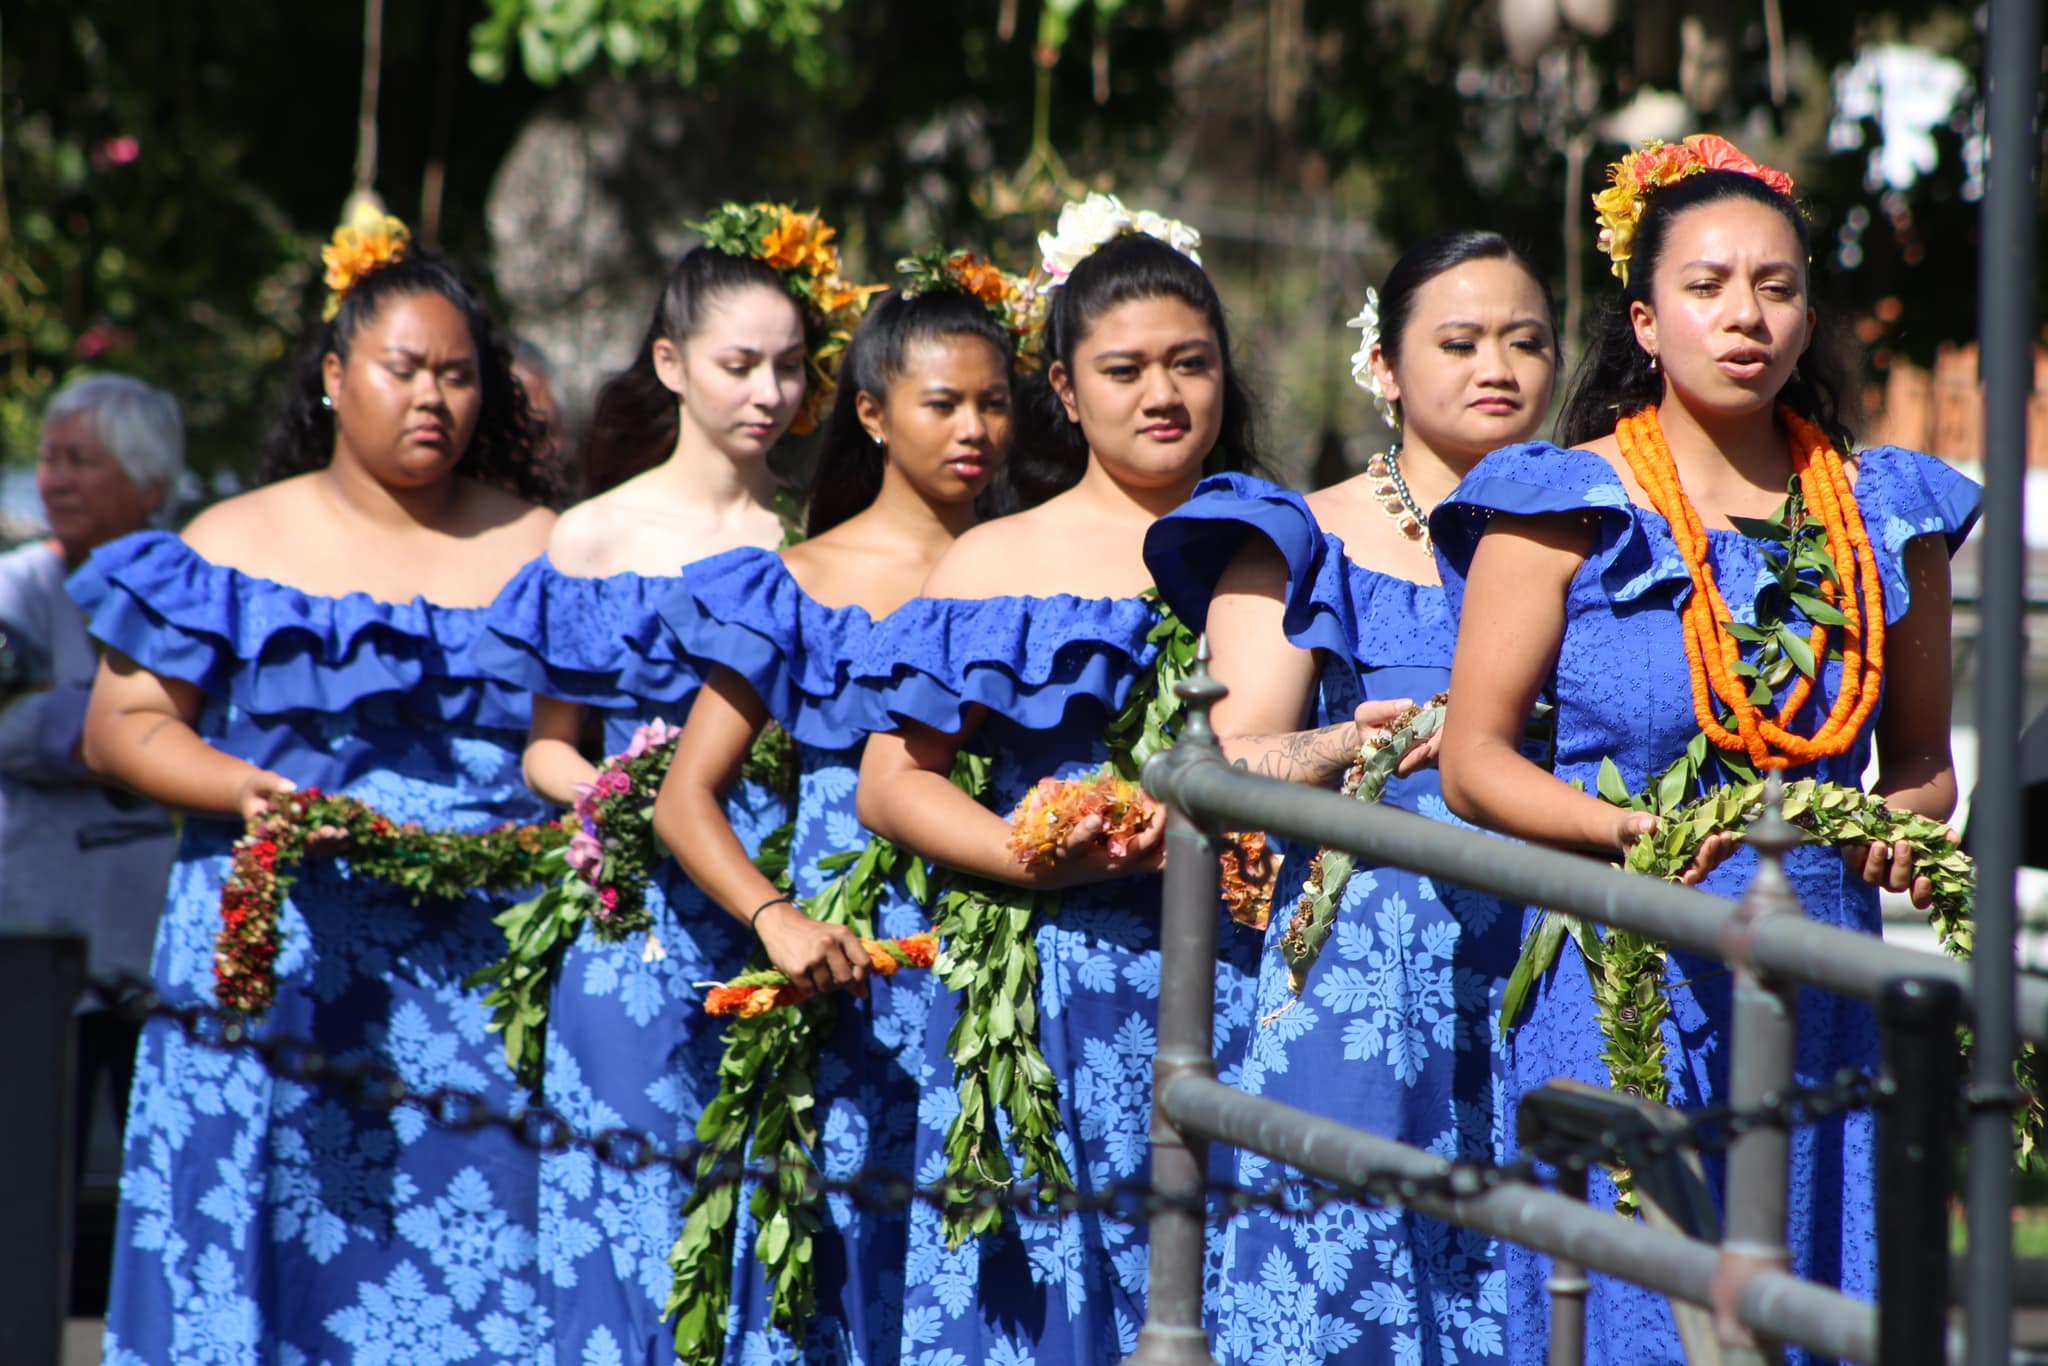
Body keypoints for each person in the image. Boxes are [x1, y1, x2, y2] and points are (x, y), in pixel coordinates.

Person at [1431, 137, 1978, 1365]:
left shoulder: (1890, 513)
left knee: (1812, 1303)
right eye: (1707, 285)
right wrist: (1623, 833)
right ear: (1643, 317)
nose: (1745, 315)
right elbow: (1474, 759)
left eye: (1776, 287)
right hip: (1622, 965)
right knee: (1631, 1312)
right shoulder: (1558, 501)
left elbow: (1921, 766)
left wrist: (1901, 825)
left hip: (1819, 975)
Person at [76, 210, 563, 1363]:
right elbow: (125, 726)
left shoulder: (554, 546)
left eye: (458, 375)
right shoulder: (230, 542)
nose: (433, 397)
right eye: (405, 370)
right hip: (277, 953)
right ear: (338, 375)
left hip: (487, 978)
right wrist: (239, 786)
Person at [852, 200, 1262, 1361]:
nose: (1162, 394)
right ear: (1067, 393)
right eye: (1123, 369)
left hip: (1238, 965)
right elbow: (891, 782)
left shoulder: (1271, 541)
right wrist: (1024, 851)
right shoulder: (994, 559)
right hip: (1045, 983)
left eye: (1190, 363)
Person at [1143, 229, 1559, 1363]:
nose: (1497, 367)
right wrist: (1338, 743)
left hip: (1554, 971)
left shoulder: (1601, 533)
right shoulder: (1300, 533)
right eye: (1459, 341)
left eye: (1525, 341)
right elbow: (1214, 769)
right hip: (1365, 983)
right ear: (1382, 367)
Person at [474, 203, 865, 1363]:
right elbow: (545, 747)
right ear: (670, 364)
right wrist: (617, 795)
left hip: (791, 895)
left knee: (776, 1215)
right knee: (629, 1217)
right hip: (633, 912)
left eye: (790, 368)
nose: (767, 392)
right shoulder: (591, 535)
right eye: (738, 363)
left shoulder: (810, 532)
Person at [652, 264, 1023, 1363]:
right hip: (842, 970)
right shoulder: (793, 582)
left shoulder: (1033, 569)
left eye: (993, 402)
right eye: (941, 403)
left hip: (1002, 965)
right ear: (870, 411)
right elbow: (686, 796)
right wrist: (775, 920)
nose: (974, 430)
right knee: (832, 1265)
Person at [3, 375, 184, 1217]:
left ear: (149, 484)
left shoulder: (190, 596)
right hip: (39, 943)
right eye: (50, 458)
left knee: (167, 1194)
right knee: (31, 1199)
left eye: (82, 460)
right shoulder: (17, 592)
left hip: (161, 955)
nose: (57, 479)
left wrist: (97, 731)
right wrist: (141, 733)